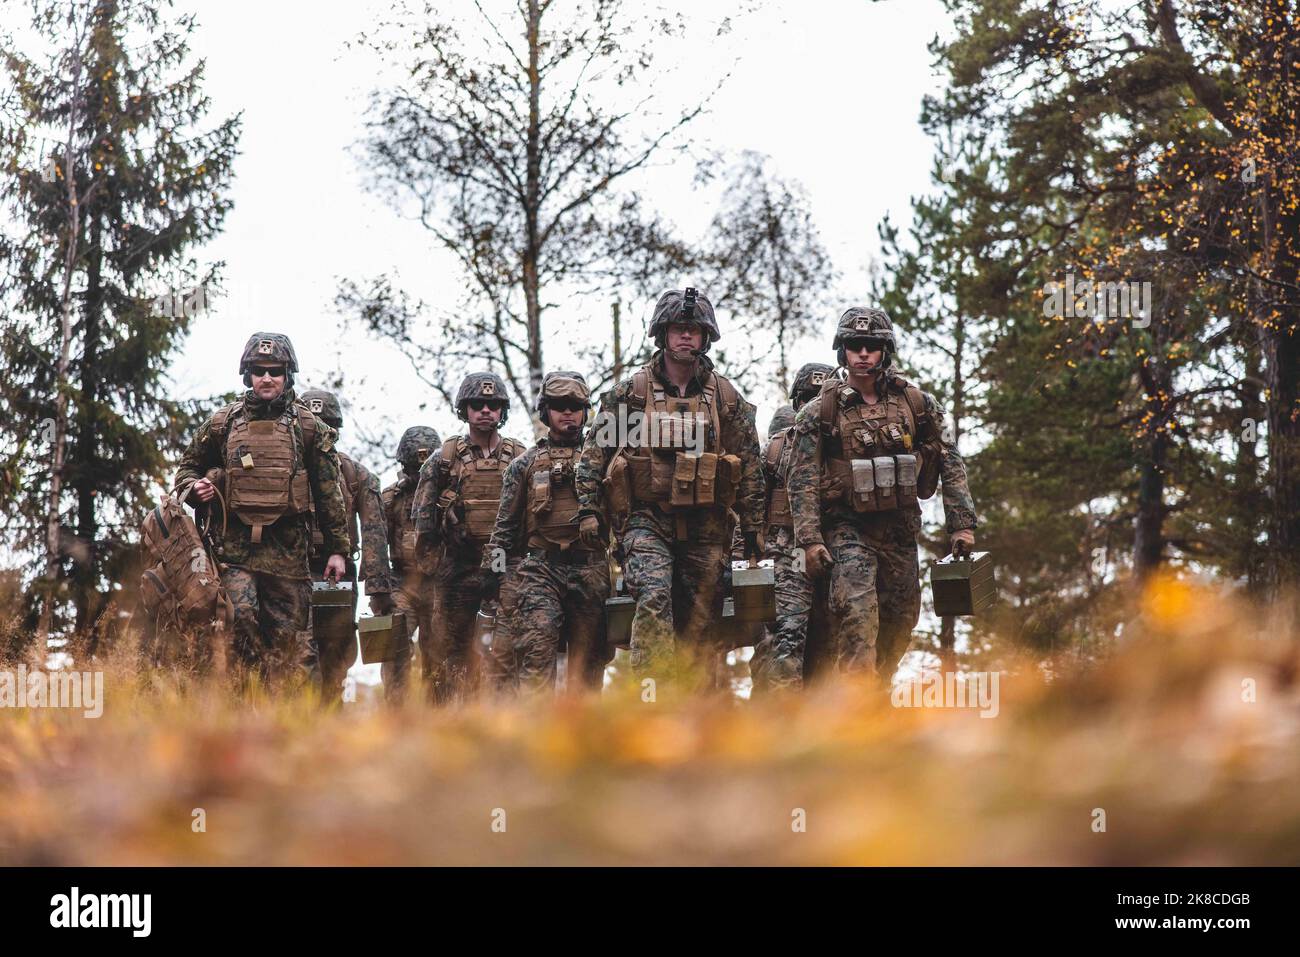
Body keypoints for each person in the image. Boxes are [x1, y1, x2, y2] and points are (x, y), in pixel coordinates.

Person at [576, 287, 764, 685]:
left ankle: (695, 706)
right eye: (678, 328)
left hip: (707, 526)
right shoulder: (632, 394)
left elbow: (749, 465)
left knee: (702, 617)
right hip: (647, 521)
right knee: (654, 597)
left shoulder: (726, 398)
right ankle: (651, 697)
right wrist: (590, 512)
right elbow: (594, 455)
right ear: (662, 334)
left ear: (705, 337)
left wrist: (753, 528)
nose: (685, 337)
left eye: (694, 331)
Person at [786, 308, 977, 679]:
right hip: (847, 530)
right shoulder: (818, 412)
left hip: (899, 530)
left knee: (901, 620)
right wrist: (809, 541)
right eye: (854, 346)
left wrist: (962, 525)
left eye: (871, 346)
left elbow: (950, 459)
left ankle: (874, 696)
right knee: (857, 617)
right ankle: (856, 708)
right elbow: (802, 478)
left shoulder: (917, 405)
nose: (862, 353)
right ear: (842, 351)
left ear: (884, 351)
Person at [173, 333, 350, 688]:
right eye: (258, 371)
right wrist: (195, 489)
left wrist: (337, 549)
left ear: (288, 374)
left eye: (274, 371)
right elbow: (186, 470)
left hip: (289, 553)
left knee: (289, 644)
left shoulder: (308, 427)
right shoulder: (223, 423)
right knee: (239, 624)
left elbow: (329, 492)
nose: (266, 378)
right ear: (247, 375)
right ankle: (243, 713)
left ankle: (283, 722)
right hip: (235, 551)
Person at [483, 372, 610, 694]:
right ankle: (536, 734)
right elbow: (503, 531)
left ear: (585, 411)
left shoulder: (607, 462)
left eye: (575, 406)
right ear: (546, 411)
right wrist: (499, 580)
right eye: (559, 406)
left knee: (589, 664)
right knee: (536, 655)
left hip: (591, 568)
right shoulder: (523, 465)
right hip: (540, 570)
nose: (567, 413)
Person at [411, 373, 526, 702]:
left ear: (502, 409)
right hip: (458, 567)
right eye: (478, 404)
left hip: (507, 567)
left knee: (508, 650)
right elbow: (423, 519)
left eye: (493, 405)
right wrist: (432, 571)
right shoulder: (444, 457)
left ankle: (507, 718)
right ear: (465, 409)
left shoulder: (520, 455)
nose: (485, 410)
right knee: (451, 651)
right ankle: (449, 722)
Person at [297, 389, 395, 705]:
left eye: (326, 425)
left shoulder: (356, 475)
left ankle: (328, 718)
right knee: (301, 650)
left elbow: (375, 534)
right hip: (291, 570)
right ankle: (304, 720)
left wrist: (378, 592)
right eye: (312, 424)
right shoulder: (286, 472)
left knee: (336, 656)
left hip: (337, 577)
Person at [749, 363, 835, 692]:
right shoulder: (773, 449)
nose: (815, 405)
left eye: (822, 398)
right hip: (785, 558)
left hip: (839, 554)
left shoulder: (847, 446)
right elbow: (749, 506)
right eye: (808, 398)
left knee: (831, 646)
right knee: (782, 643)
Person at [380, 425, 441, 702]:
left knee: (439, 652)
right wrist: (378, 591)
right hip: (400, 583)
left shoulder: (448, 497)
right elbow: (375, 545)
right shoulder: (390, 498)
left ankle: (439, 711)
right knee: (395, 646)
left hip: (440, 584)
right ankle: (397, 710)